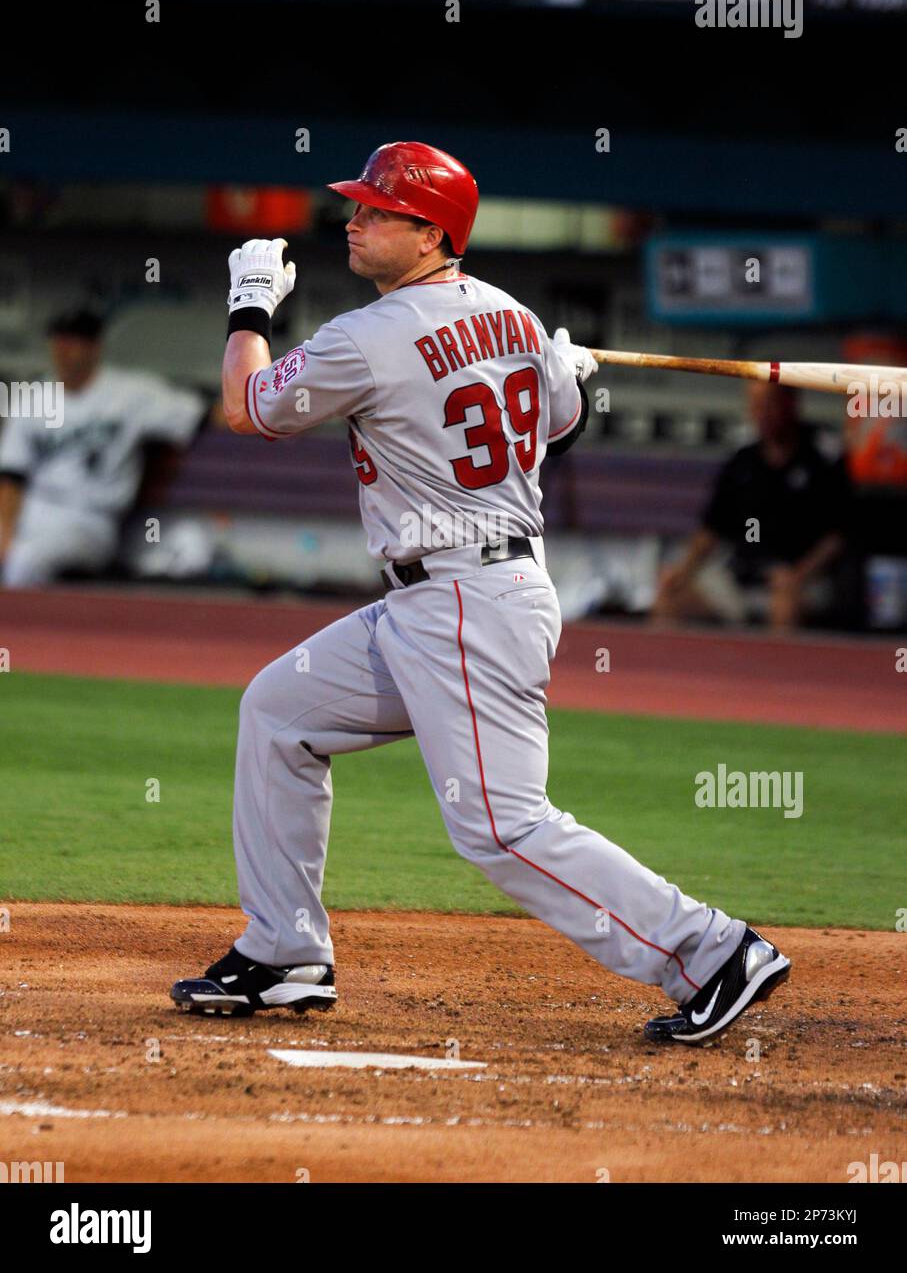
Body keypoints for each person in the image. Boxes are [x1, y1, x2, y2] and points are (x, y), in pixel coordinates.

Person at [171, 141, 791, 1044]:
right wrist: (563, 372)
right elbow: (554, 432)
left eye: (378, 211)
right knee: (278, 711)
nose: (355, 220)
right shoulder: (515, 318)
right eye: (360, 205)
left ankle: (709, 949)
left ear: (431, 233)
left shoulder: (367, 336)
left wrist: (249, 303)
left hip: (462, 602)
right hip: (454, 595)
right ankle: (283, 952)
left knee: (499, 827)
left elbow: (246, 405)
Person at [0, 309, 213, 587]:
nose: (63, 349)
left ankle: (19, 632)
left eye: (72, 341)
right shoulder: (33, 398)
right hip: (34, 510)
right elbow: (12, 476)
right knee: (19, 555)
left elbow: (201, 414)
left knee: (26, 560)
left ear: (93, 347)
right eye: (58, 340)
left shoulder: (130, 393)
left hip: (90, 519)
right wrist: (4, 531)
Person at [652, 380, 853, 630]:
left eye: (770, 404)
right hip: (741, 578)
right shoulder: (743, 460)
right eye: (756, 406)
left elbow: (838, 537)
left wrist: (797, 576)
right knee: (671, 597)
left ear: (791, 403)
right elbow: (712, 529)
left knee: (784, 605)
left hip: (802, 580)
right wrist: (683, 572)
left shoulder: (823, 456)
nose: (763, 414)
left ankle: (777, 669)